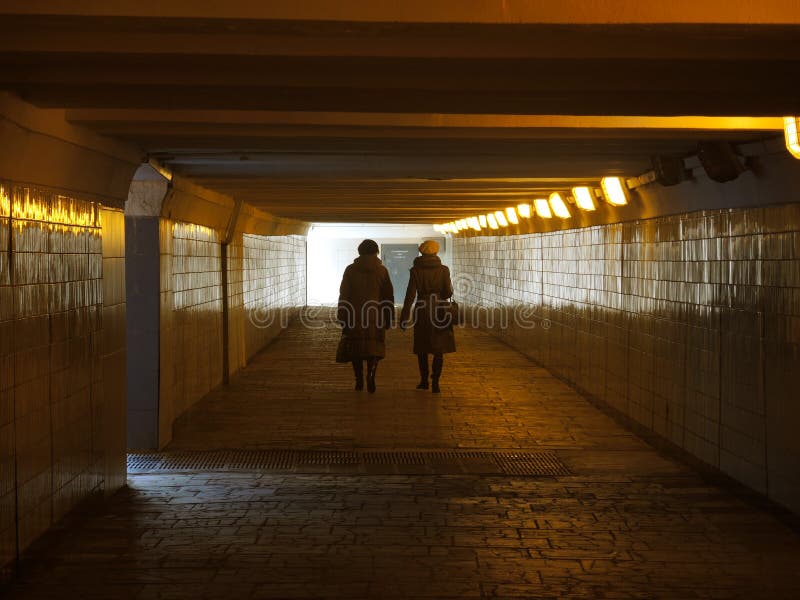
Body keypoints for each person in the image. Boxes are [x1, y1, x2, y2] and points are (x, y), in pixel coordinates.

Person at [336, 239, 394, 393]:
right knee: (374, 346)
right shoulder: (382, 271)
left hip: (354, 314)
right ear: (376, 252)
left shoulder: (350, 270)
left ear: (359, 252)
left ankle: (359, 380)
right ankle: (371, 375)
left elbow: (344, 294)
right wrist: (389, 317)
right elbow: (388, 296)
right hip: (376, 314)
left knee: (355, 347)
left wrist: (342, 314)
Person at [399, 240, 456, 393]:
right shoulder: (444, 270)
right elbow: (448, 293)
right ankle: (436, 382)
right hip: (440, 309)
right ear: (436, 252)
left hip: (422, 309)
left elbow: (410, 294)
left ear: (421, 252)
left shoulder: (415, 270)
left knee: (422, 346)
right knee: (439, 346)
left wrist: (404, 317)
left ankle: (424, 380)